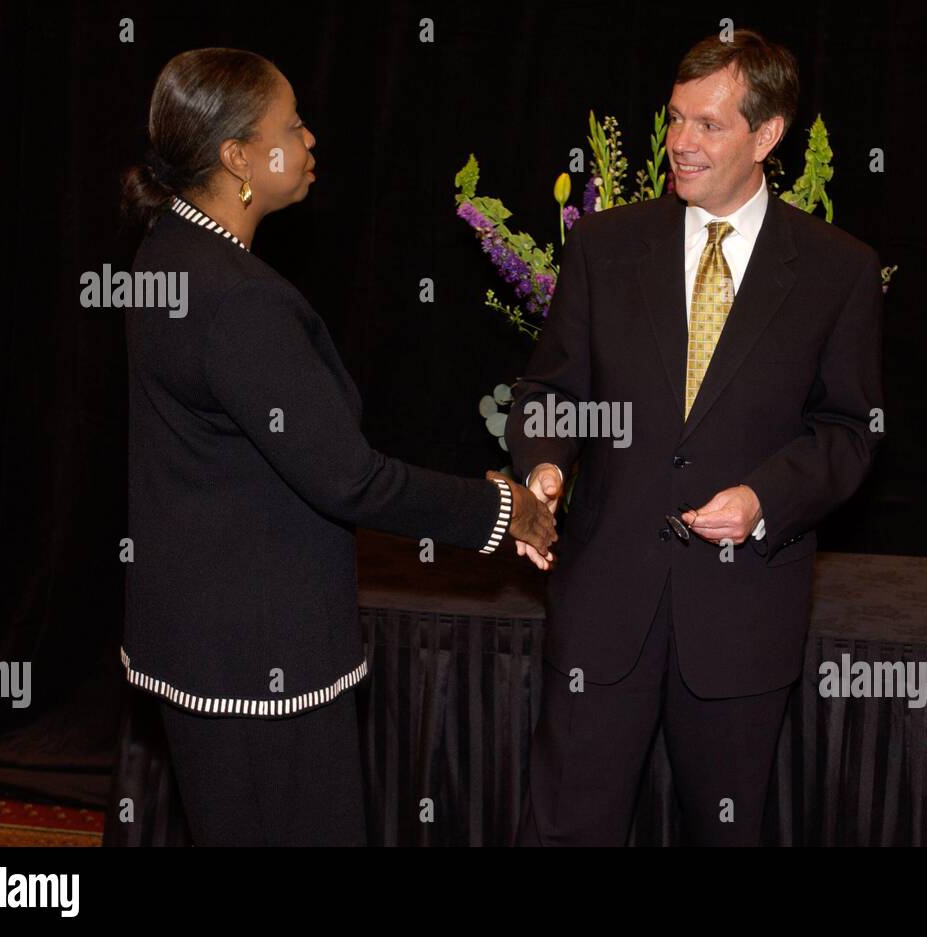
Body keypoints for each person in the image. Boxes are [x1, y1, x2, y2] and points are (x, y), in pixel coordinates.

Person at [119, 48, 556, 845]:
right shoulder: (239, 301)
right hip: (261, 657)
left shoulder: (167, 252)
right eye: (292, 125)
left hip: (203, 642)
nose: (311, 138)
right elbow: (349, 480)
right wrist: (506, 509)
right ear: (238, 157)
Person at [506, 29, 884, 845]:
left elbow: (850, 431)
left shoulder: (836, 270)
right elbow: (549, 389)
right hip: (604, 608)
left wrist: (763, 497)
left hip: (742, 616)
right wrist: (543, 466)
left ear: (769, 134)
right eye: (676, 119)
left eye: (709, 124)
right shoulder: (606, 247)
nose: (681, 142)